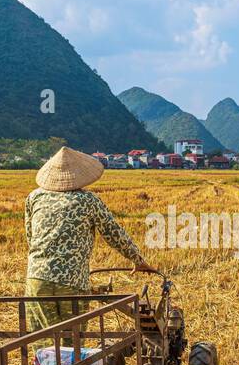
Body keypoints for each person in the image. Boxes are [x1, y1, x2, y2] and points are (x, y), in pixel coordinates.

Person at [24, 147, 156, 348]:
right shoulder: (88, 201)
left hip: (36, 281)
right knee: (71, 344)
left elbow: (31, 237)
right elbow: (114, 234)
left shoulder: (34, 197)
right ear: (79, 176)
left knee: (43, 345)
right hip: (72, 283)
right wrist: (138, 260)